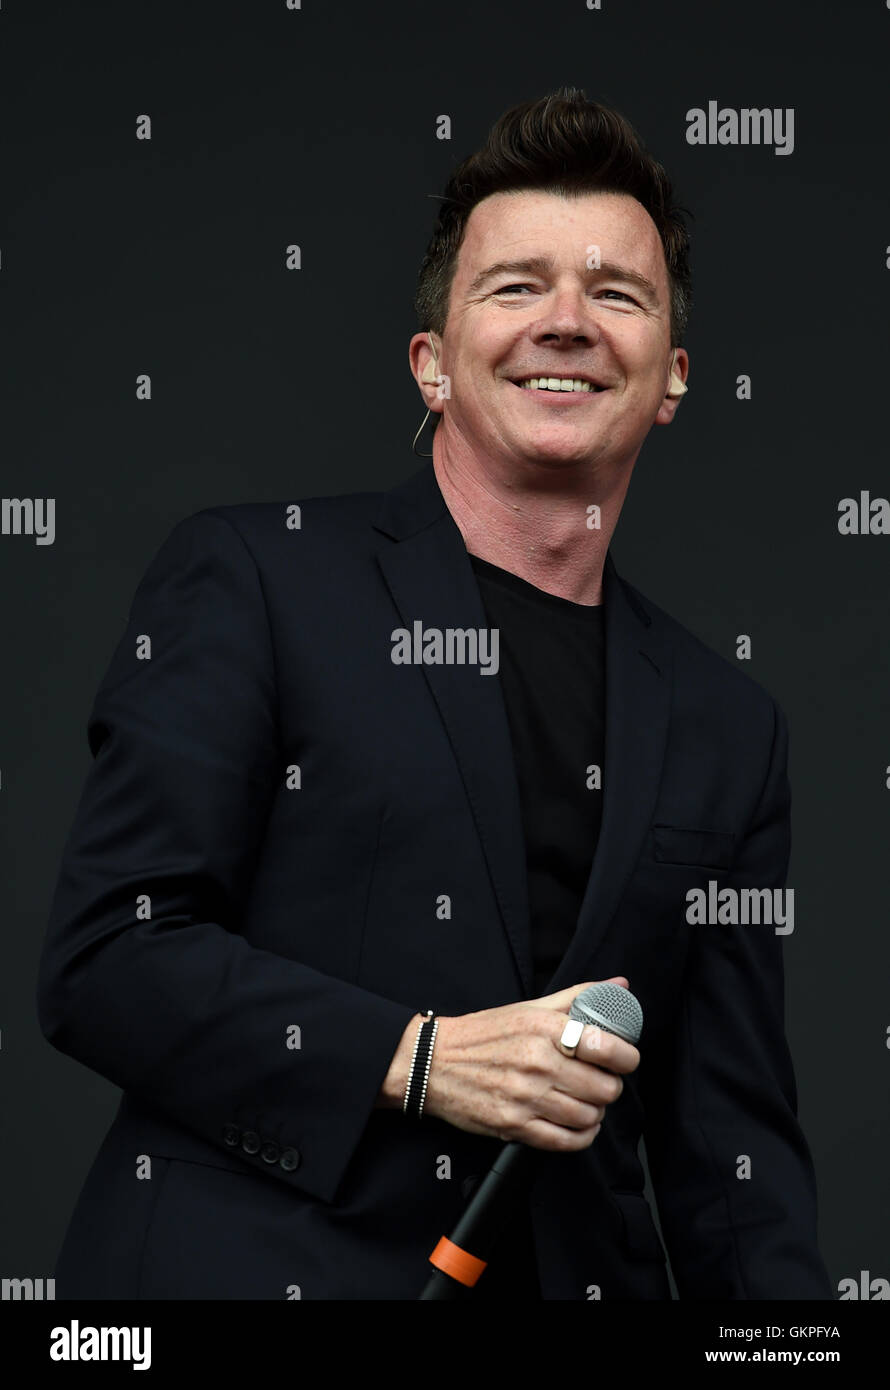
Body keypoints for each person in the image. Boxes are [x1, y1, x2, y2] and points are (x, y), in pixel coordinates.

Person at [37, 87, 833, 1300]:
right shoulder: (254, 577)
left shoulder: (730, 727)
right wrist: (416, 1059)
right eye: (513, 287)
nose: (565, 321)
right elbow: (107, 959)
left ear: (670, 377)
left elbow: (732, 1161)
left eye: (612, 293)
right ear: (431, 364)